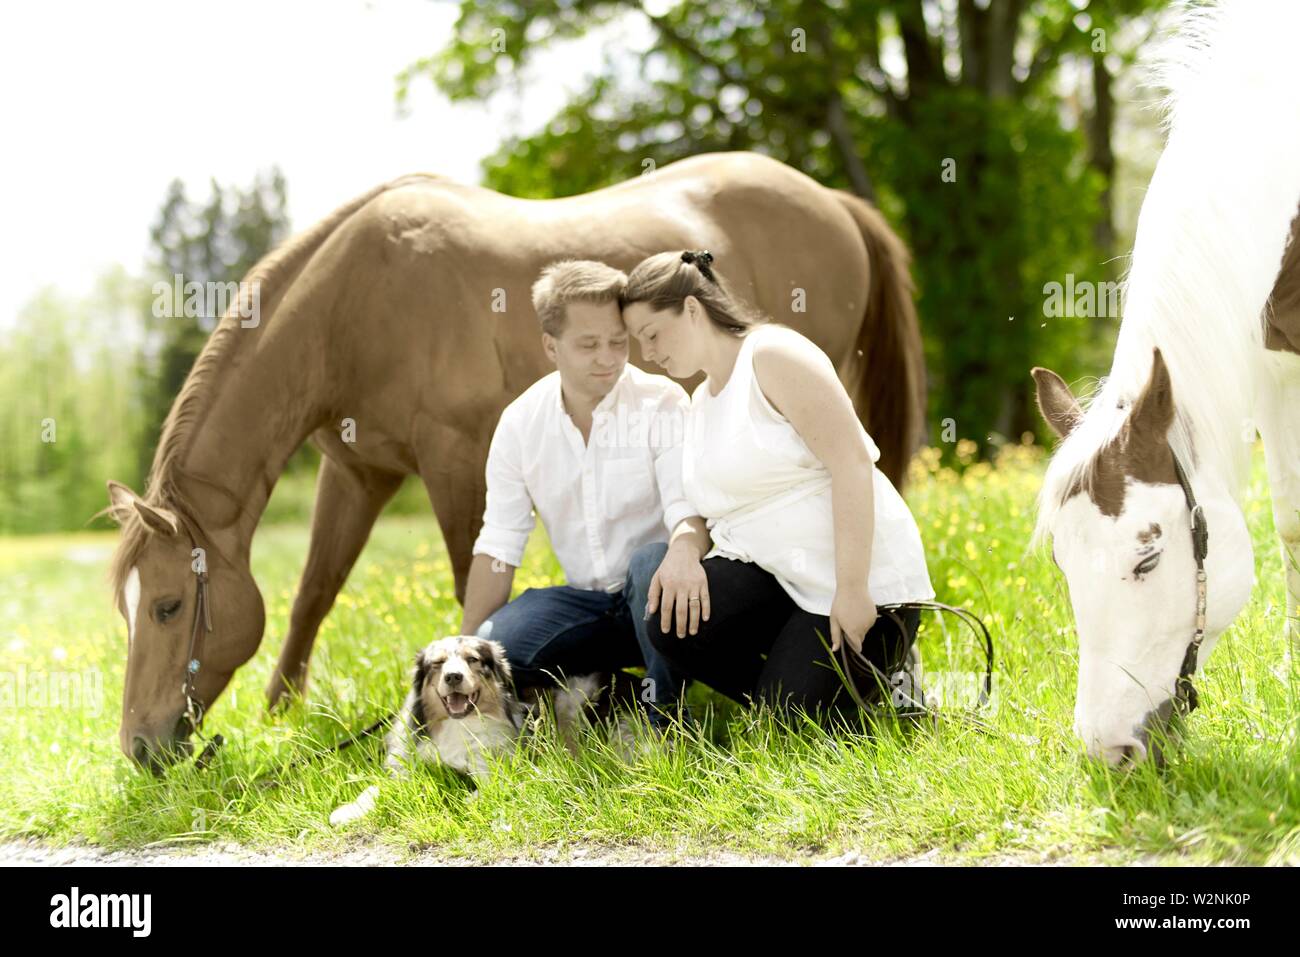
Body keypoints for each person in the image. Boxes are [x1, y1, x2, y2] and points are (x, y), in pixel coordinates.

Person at [620, 249, 935, 726]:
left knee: (791, 724)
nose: (647, 354)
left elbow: (851, 464)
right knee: (671, 624)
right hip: (780, 583)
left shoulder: (771, 356)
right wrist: (684, 549)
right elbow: (708, 512)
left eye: (651, 334)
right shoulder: (701, 400)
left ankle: (875, 680)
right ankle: (804, 695)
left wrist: (853, 591)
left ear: (691, 309)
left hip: (858, 584)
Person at [460, 259, 710, 728]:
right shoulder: (520, 423)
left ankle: (667, 721)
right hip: (586, 608)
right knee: (499, 643)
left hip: (663, 598)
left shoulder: (662, 402)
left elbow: (687, 513)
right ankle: (610, 692)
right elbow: (499, 544)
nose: (608, 358)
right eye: (589, 345)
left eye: (619, 342)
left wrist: (683, 551)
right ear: (551, 346)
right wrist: (463, 652)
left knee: (651, 560)